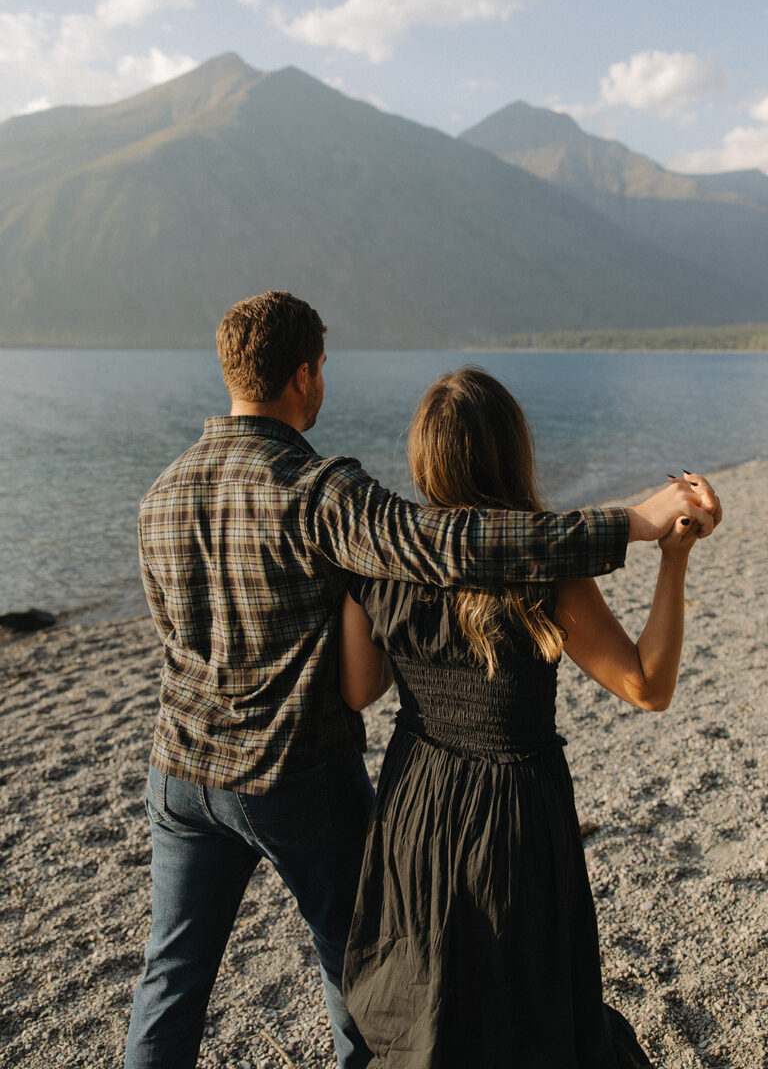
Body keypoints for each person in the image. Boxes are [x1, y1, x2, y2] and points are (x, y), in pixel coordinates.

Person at [124, 293, 716, 1069]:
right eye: (323, 370)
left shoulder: (162, 492)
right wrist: (636, 531)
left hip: (185, 770)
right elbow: (443, 541)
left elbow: (199, 638)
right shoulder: (317, 489)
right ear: (305, 376)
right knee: (360, 965)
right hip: (299, 774)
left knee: (173, 974)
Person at [340, 367, 721, 1068]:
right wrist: (674, 562)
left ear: (426, 456)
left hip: (416, 797)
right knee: (527, 1002)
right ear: (514, 452)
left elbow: (360, 689)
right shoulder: (548, 567)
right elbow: (647, 687)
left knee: (427, 994)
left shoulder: (381, 562)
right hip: (514, 807)